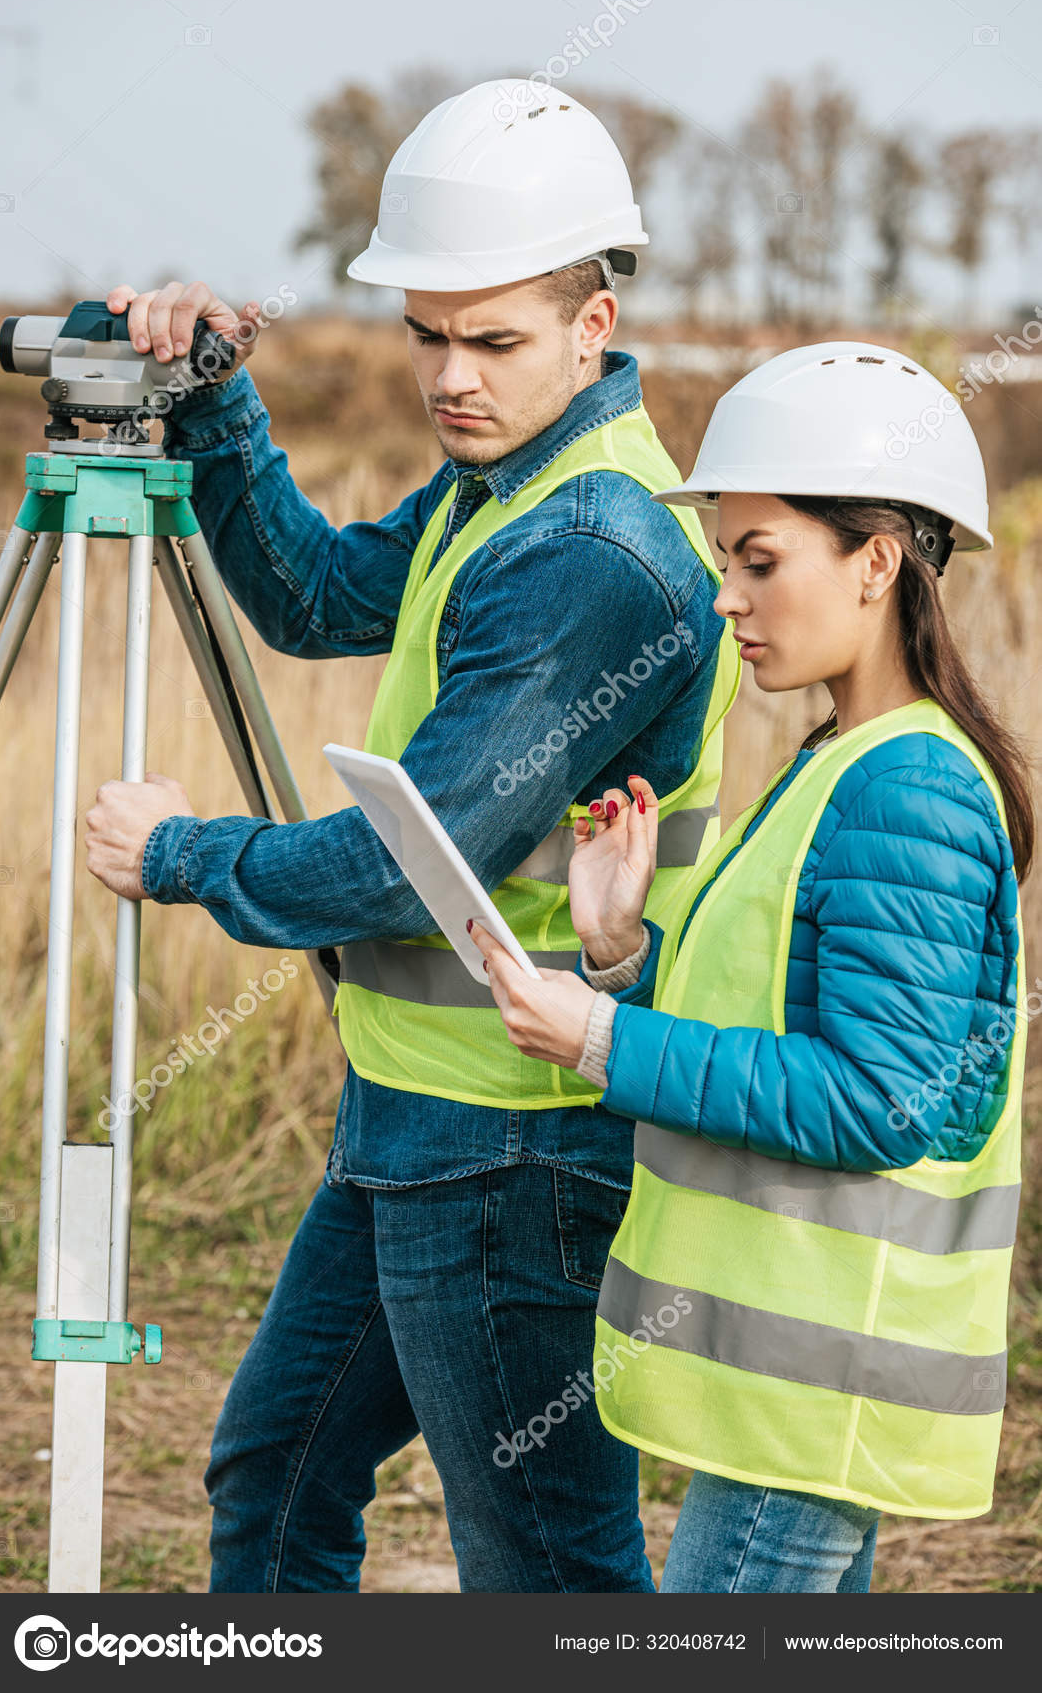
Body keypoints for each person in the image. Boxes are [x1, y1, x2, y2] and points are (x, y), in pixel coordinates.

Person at [83, 79, 740, 1592]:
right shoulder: (495, 491)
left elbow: (401, 864)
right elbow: (315, 598)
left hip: (516, 1146)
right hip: (411, 1119)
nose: (450, 375)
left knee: (544, 1567)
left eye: (492, 340)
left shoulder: (590, 551)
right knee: (275, 1479)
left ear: (594, 322)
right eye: (428, 333)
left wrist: (191, 855)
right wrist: (215, 402)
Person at [469, 339, 1032, 1594]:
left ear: (878, 559)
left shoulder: (912, 786)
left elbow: (872, 1099)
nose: (727, 597)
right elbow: (771, 1019)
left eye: (759, 561)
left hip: (813, 1397)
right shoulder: (849, 759)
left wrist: (597, 1043)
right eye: (728, 560)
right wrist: (620, 953)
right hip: (789, 1391)